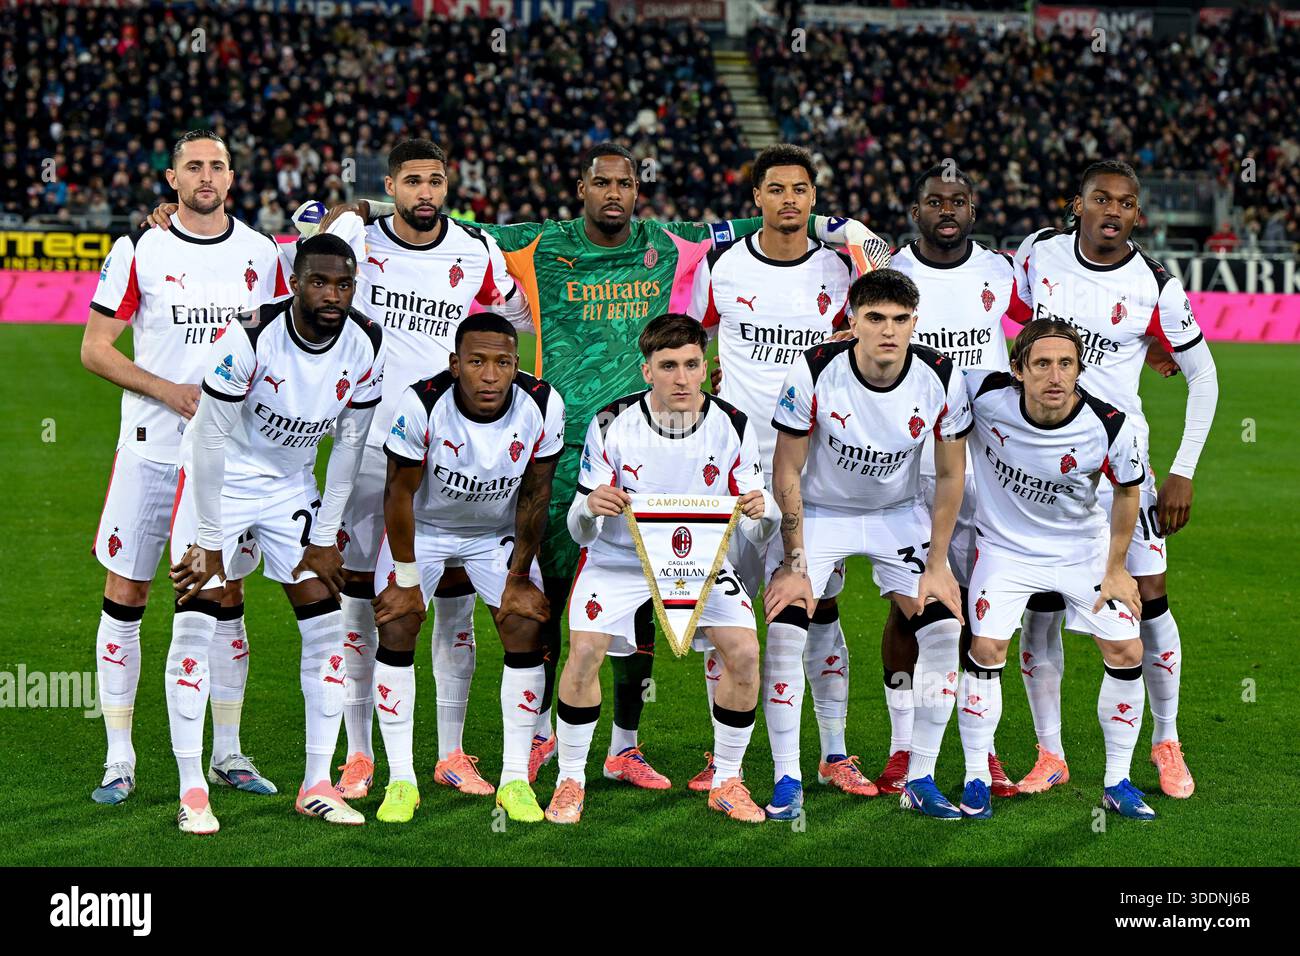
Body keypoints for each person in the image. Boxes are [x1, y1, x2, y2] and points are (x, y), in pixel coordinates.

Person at [319, 142, 888, 790]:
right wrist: (361, 207)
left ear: (636, 192)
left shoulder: (669, 243)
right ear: (582, 189)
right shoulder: (540, 243)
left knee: (651, 596)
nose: (614, 193)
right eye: (602, 183)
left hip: (655, 448)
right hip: (561, 450)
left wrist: (832, 225)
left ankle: (625, 744)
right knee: (549, 600)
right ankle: (538, 739)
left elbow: (757, 224)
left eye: (625, 184)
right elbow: (446, 224)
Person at [146, 139, 534, 802]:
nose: (425, 193)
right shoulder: (357, 237)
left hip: (450, 453)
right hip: (372, 454)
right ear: (391, 186)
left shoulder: (476, 252)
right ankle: (356, 757)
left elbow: (517, 321)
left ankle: (450, 752)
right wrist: (174, 219)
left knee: (453, 603)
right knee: (356, 598)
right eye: (411, 181)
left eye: (436, 181)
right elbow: (305, 253)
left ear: (450, 185)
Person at [82, 129, 287, 805]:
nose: (206, 176)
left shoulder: (263, 255)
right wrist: (167, 390)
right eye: (193, 166)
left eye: (217, 166)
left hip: (229, 463)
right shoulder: (139, 248)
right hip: (152, 449)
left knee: (224, 598)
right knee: (129, 593)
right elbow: (95, 349)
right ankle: (120, 758)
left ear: (232, 179)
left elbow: (287, 345)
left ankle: (227, 752)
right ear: (172, 179)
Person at [1011, 160, 1219, 798]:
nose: (1112, 210)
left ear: (1137, 215)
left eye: (1125, 203)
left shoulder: (1157, 283)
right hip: (1038, 464)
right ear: (1077, 203)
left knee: (1149, 598)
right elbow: (1005, 330)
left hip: (1119, 471)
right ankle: (1051, 754)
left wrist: (1181, 471)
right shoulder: (1039, 253)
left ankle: (1166, 738)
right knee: (1041, 606)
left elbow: (1203, 377)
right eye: (1100, 198)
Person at [167, 233, 385, 833]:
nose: (332, 295)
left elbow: (350, 443)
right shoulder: (250, 336)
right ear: (294, 283)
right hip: (221, 482)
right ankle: (192, 792)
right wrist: (210, 539)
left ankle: (316, 782)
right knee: (194, 623)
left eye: (343, 284)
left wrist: (327, 531)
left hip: (290, 487)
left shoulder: (366, 343)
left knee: (326, 623)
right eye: (319, 282)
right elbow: (209, 438)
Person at [688, 143, 876, 817]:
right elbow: (691, 335)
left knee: (818, 609)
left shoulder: (839, 267)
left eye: (802, 190)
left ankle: (832, 753)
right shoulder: (724, 264)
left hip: (810, 466)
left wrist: (849, 232)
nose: (790, 200)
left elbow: (885, 267)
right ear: (757, 199)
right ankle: (725, 752)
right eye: (777, 189)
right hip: (733, 469)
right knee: (724, 617)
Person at [547, 314, 780, 825]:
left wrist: (765, 516)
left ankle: (727, 780)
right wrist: (589, 508)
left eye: (692, 365)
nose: (681, 378)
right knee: (584, 651)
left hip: (700, 560)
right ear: (646, 370)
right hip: (619, 560)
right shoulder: (610, 423)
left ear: (705, 367)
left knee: (744, 652)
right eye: (668, 365)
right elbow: (579, 529)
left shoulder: (734, 424)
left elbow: (758, 529)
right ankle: (570, 779)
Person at [765, 269, 973, 819]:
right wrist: (793, 559)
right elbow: (786, 468)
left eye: (900, 320)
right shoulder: (813, 369)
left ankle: (920, 776)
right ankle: (787, 777)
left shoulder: (941, 377)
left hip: (897, 514)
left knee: (945, 628)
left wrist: (937, 564)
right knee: (788, 626)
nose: (888, 331)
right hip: (823, 513)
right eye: (875, 318)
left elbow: (952, 475)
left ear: (914, 323)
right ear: (852, 321)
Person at [370, 313, 564, 824]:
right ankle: (401, 779)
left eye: (503, 362)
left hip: (491, 534)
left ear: (515, 365)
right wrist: (408, 581)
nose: (490, 375)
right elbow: (398, 492)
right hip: (425, 528)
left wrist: (519, 577)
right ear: (456, 364)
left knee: (526, 625)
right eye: (476, 362)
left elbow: (536, 493)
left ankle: (515, 780)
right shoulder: (422, 402)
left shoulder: (542, 403)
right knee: (397, 623)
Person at [957, 320, 1154, 820]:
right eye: (1041, 364)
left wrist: (1115, 567)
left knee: (1127, 648)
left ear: (1079, 369)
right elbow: (911, 368)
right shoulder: (981, 392)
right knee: (985, 647)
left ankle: (1118, 780)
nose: (1055, 375)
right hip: (1004, 550)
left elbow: (1128, 491)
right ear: (1018, 370)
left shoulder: (1109, 424)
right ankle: (976, 774)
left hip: (1080, 552)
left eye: (1066, 364)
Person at [878, 164, 1019, 797]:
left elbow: (1053, 326)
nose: (946, 210)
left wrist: (1154, 343)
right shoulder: (889, 274)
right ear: (915, 209)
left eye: (957, 201)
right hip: (910, 463)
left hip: (988, 461)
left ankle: (979, 750)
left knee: (982, 608)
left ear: (972, 207)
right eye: (934, 200)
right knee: (912, 609)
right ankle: (904, 748)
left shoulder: (999, 271)